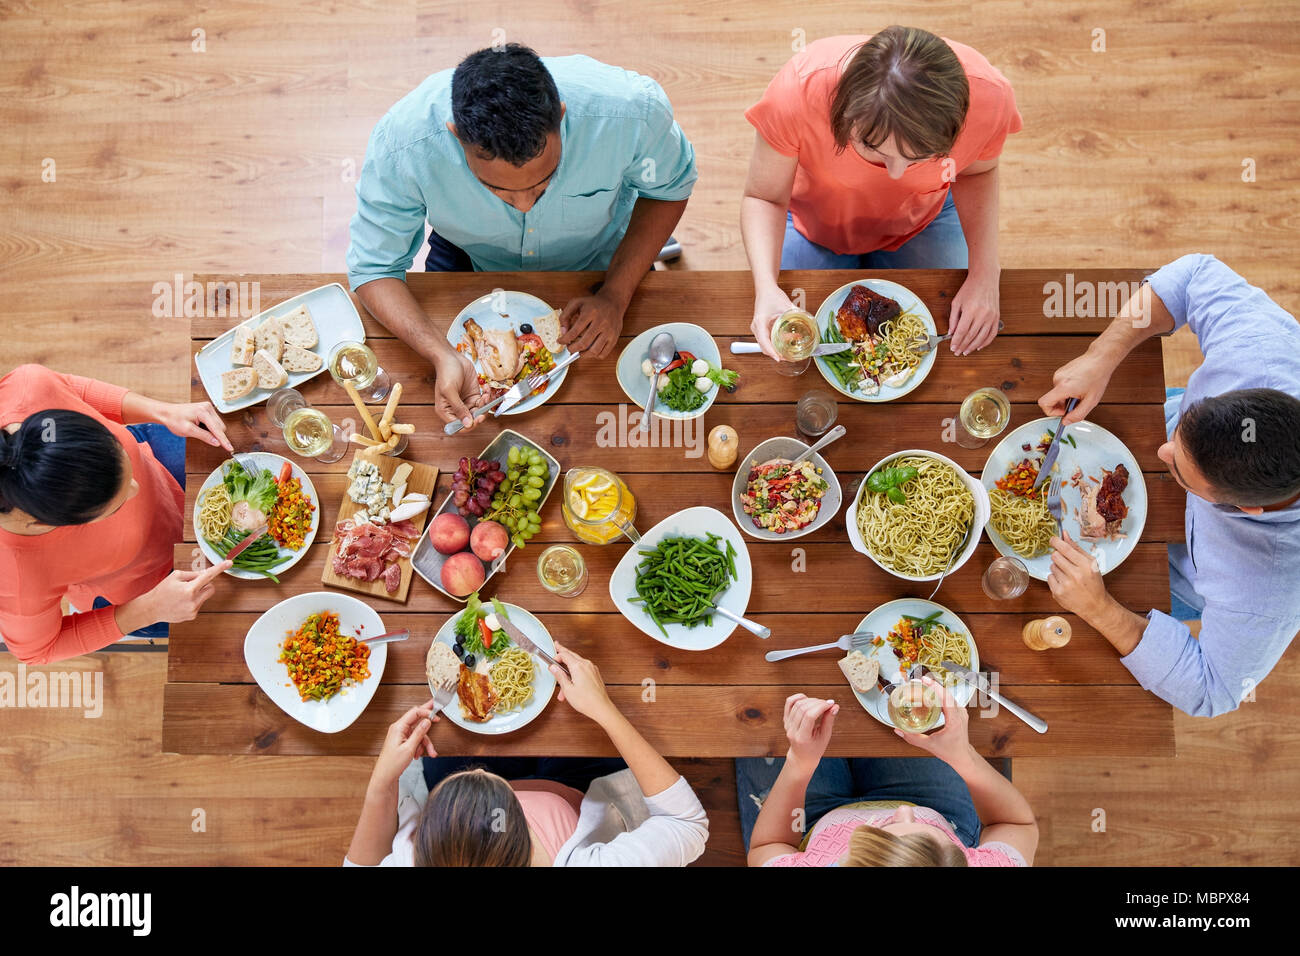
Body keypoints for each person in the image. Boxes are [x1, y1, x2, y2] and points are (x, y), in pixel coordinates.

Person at [347, 43, 697, 431]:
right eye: (497, 190)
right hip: (468, 255)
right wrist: (441, 355)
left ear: (560, 117)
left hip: (604, 255)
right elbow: (373, 269)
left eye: (543, 183)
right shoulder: (404, 145)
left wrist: (615, 294)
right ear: (455, 135)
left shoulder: (632, 112)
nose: (525, 205)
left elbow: (669, 189)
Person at [1038, 253, 1300, 717]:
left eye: (1178, 469)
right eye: (1178, 438)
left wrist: (1101, 610)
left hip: (1167, 572)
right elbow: (1193, 274)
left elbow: (1212, 691)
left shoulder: (1270, 588)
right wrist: (1101, 357)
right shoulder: (1263, 353)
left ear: (1249, 510)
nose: (1160, 454)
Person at [741, 25, 1021, 360]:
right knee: (804, 328)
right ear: (845, 112)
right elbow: (765, 197)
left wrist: (986, 274)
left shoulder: (989, 98)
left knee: (944, 318)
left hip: (923, 222)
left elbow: (979, 172)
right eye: (874, 149)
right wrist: (767, 289)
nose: (896, 174)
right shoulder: (798, 91)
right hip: (812, 226)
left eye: (918, 158)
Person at [344, 643, 709, 866]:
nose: (486, 771)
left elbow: (361, 865)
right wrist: (604, 710)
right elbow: (687, 824)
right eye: (504, 794)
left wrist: (382, 783)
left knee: (454, 742)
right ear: (522, 838)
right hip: (579, 791)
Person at [0, 364, 233, 664]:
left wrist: (162, 412)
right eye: (117, 503)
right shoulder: (16, 578)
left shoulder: (30, 387)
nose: (135, 487)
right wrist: (152, 608)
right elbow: (37, 651)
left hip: (159, 461)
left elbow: (74, 389)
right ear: (48, 523)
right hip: (145, 587)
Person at [739, 686, 1037, 866]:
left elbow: (769, 847)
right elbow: (1013, 824)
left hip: (805, 822)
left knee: (764, 699)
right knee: (907, 691)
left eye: (889, 826)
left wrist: (799, 763)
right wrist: (963, 756)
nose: (904, 811)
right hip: (938, 806)